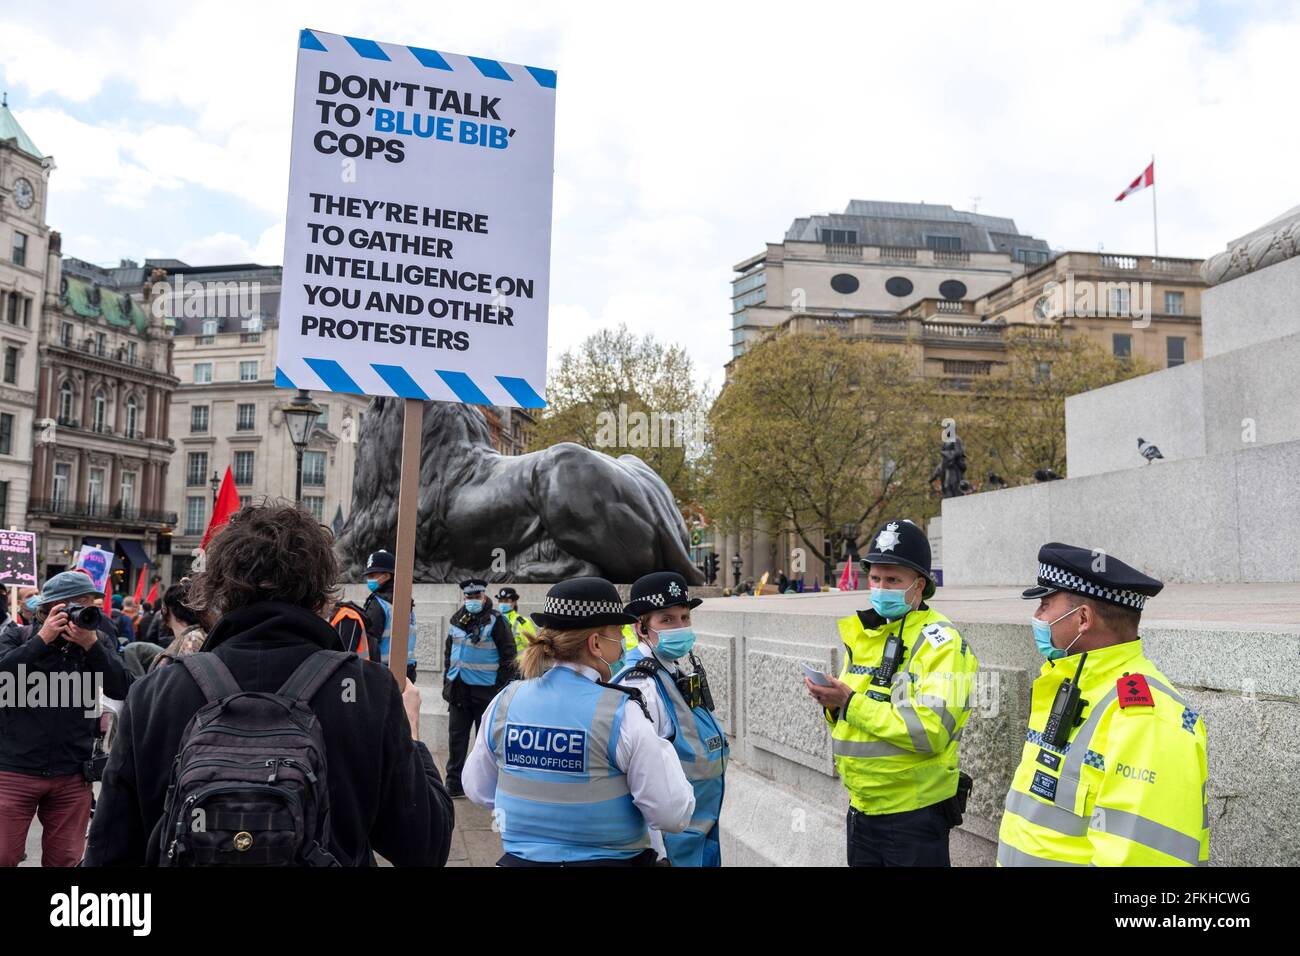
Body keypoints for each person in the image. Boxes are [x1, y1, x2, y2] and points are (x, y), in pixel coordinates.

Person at [83, 503, 455, 866]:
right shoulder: (369, 690)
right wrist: (414, 736)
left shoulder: (155, 693)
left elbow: (109, 852)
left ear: (218, 590)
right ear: (321, 592)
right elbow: (425, 847)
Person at [997, 543, 1209, 867]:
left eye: (1044, 604)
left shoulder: (1144, 717)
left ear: (1083, 618)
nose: (1037, 616)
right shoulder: (1073, 683)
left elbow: (1139, 860)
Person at [463, 576, 695, 865]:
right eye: (618, 631)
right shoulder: (621, 712)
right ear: (596, 643)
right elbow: (671, 813)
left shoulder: (506, 701)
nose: (624, 640)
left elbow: (476, 788)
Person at [805, 518, 979, 867]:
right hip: (862, 809)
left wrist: (849, 702)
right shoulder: (868, 633)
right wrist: (832, 704)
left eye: (893, 580)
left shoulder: (943, 643)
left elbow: (929, 730)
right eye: (875, 578)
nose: (881, 588)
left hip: (913, 817)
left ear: (920, 585)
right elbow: (855, 721)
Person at [0, 571, 129, 866]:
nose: (80, 612)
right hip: (14, 771)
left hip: (71, 773)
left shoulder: (96, 640)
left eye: (86, 604)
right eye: (73, 604)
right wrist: (42, 640)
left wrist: (92, 647)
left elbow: (123, 687)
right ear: (48, 608)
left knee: (66, 860)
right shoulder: (18, 636)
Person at [613, 571, 728, 866]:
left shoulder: (671, 670)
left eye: (685, 617)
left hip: (695, 835)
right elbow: (636, 779)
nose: (681, 627)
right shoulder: (640, 685)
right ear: (641, 628)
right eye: (667, 620)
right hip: (669, 846)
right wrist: (657, 854)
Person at [443, 579, 516, 798]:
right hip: (459, 689)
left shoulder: (496, 621)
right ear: (464, 598)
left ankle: (487, 786)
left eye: (476, 597)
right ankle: (454, 784)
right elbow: (449, 652)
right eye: (468, 597)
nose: (472, 601)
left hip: (485, 691)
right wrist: (447, 681)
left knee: (486, 742)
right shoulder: (457, 620)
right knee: (456, 739)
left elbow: (509, 656)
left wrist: (499, 688)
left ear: (483, 597)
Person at [361, 549, 417, 682]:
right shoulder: (405, 601)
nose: (369, 580)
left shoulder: (378, 604)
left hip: (383, 672)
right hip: (407, 670)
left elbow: (369, 642)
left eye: (373, 575)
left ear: (386, 576)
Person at [496, 587, 535, 655]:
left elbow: (533, 646)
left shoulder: (523, 622)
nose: (503, 603)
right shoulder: (493, 620)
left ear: (514, 602)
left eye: (506, 601)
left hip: (518, 663)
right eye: (501, 601)